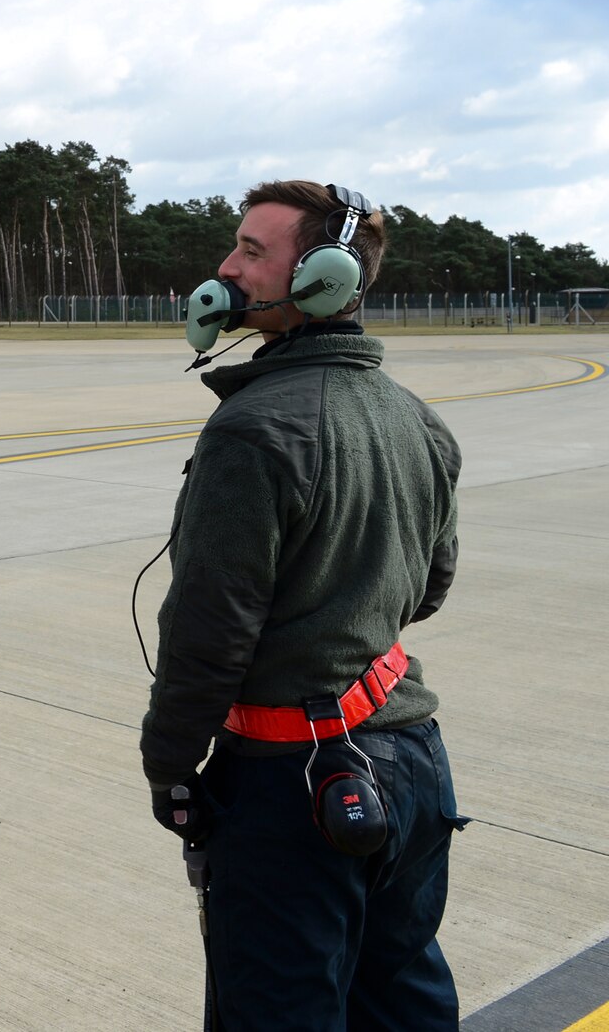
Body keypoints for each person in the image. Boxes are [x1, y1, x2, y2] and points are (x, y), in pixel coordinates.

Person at [143, 179, 465, 1030]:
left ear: (323, 277)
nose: (227, 266)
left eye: (253, 250)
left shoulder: (256, 430)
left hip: (296, 789)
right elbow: (429, 585)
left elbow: (209, 633)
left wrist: (170, 765)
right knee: (403, 1004)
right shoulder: (419, 420)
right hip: (411, 761)